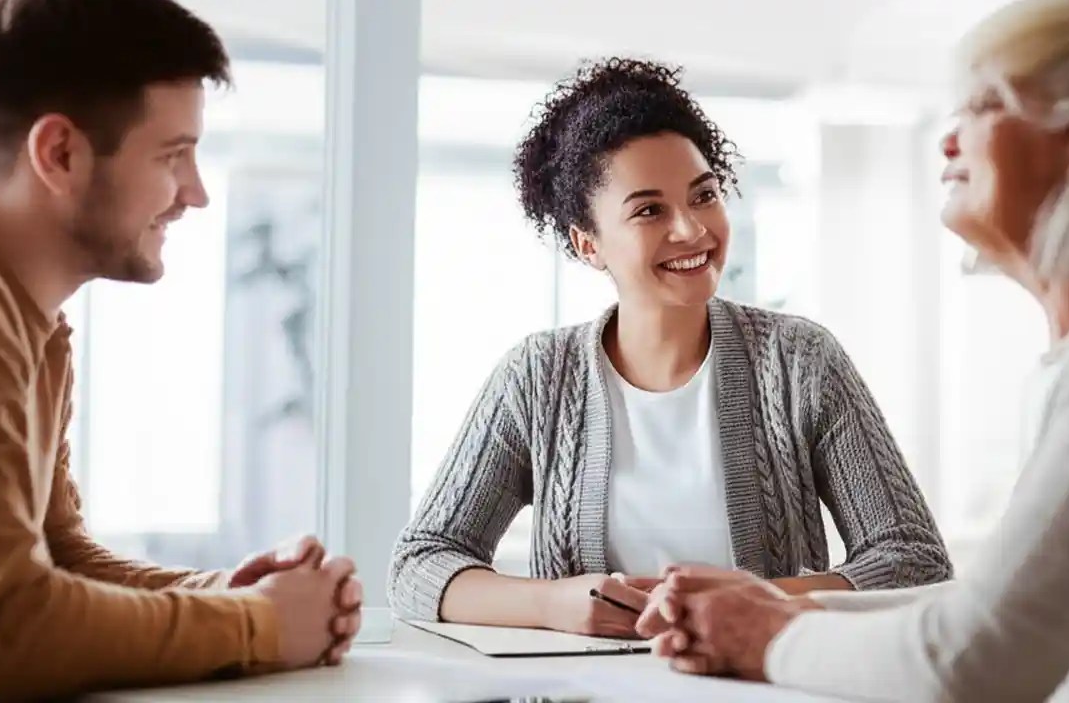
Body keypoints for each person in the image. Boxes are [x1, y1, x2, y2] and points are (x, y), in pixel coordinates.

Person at [645, 0, 1069, 702]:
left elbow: (971, 661)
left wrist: (762, 633)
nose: (949, 139)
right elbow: (992, 613)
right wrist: (780, 610)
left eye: (985, 106)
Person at [389, 58, 951, 637]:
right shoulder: (536, 378)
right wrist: (553, 604)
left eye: (704, 195)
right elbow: (420, 565)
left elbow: (914, 562)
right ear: (589, 245)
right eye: (649, 210)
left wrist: (757, 601)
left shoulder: (801, 360)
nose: (691, 230)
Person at [0, 0, 361, 700]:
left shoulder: (33, 322)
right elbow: (0, 626)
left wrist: (232, 591)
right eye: (173, 155)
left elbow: (59, 555)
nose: (196, 192)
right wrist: (257, 626)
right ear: (59, 153)